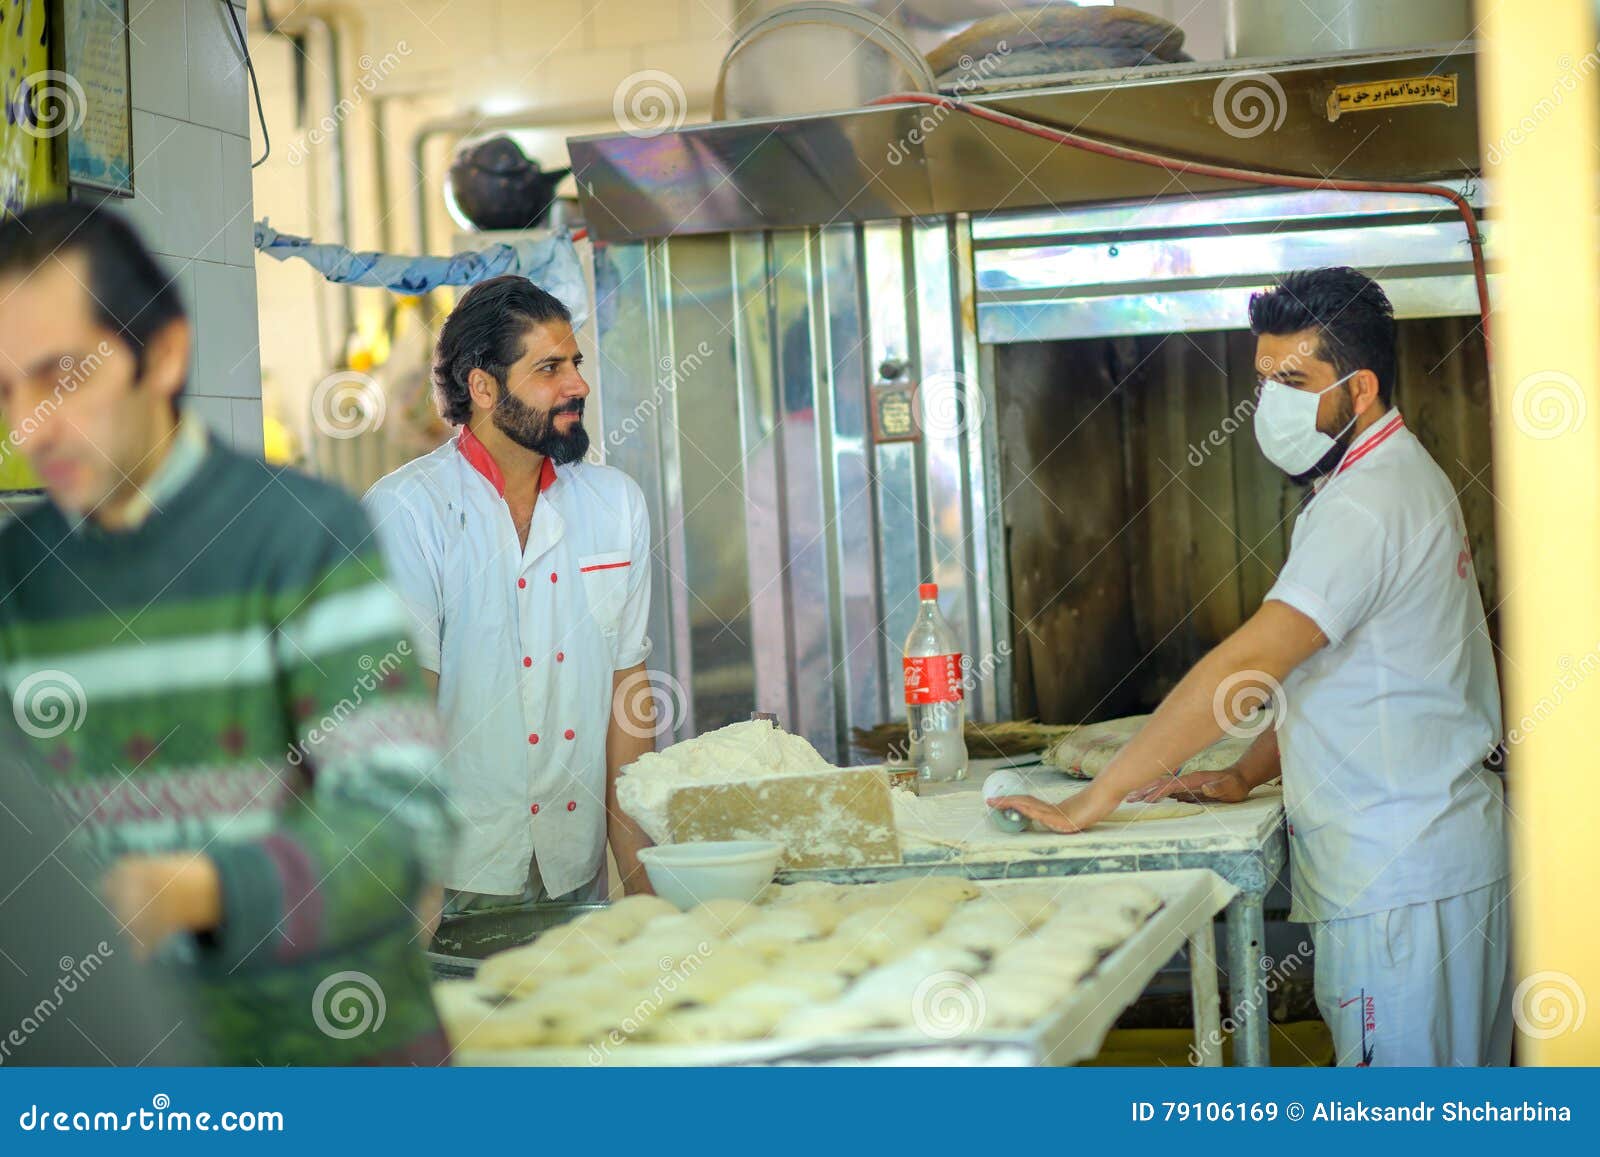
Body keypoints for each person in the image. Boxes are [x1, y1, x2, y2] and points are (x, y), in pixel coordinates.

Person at [991, 267, 1510, 1066]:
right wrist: (1243, 772)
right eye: (1263, 378)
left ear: (1360, 386)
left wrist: (1099, 796)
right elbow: (1345, 672)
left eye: (1293, 380)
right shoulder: (1393, 476)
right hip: (1429, 863)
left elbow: (1254, 662)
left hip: (1399, 888)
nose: (1269, 401)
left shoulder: (1365, 503)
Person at [0, 201, 454, 1065]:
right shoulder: (18, 584)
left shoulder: (299, 537)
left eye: (61, 377)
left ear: (162, 353)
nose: (30, 427)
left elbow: (402, 824)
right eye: (4, 389)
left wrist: (198, 891)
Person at [363, 275, 655, 909]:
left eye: (575, 363)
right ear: (484, 387)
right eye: (549, 368)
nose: (577, 384)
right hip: (454, 879)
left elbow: (627, 702)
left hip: (574, 872)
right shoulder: (408, 513)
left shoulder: (615, 505)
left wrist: (644, 894)